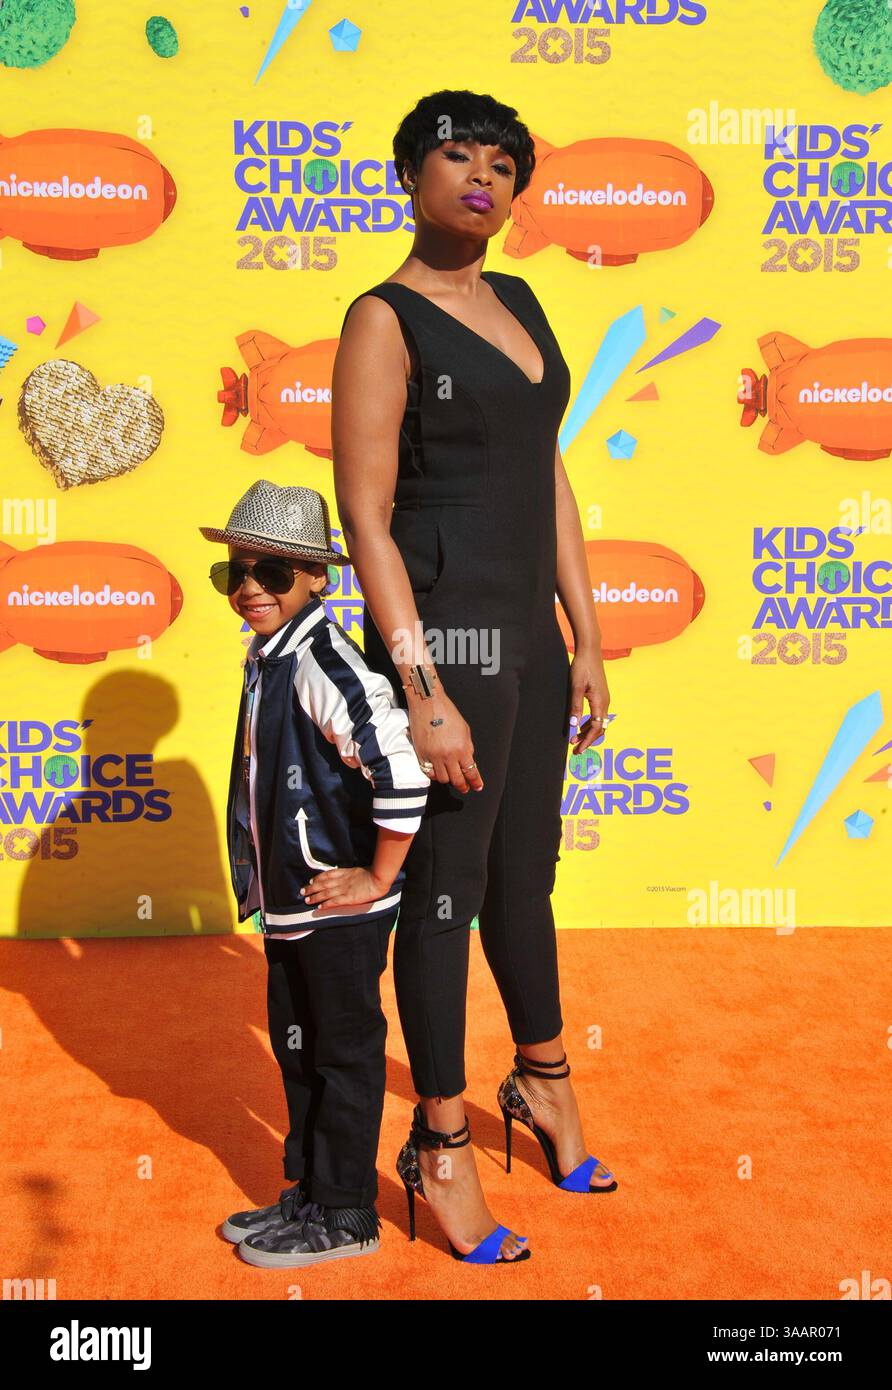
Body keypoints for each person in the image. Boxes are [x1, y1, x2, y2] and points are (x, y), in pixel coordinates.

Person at [331, 90, 619, 1266]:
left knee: (522, 878)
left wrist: (586, 630)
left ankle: (543, 1082)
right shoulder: (381, 318)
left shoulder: (522, 302)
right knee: (443, 897)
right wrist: (421, 687)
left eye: (503, 163)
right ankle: (440, 1140)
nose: (482, 176)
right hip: (446, 639)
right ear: (411, 174)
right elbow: (365, 515)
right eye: (456, 155)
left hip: (529, 644)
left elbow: (546, 474)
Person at [199, 479, 430, 1269]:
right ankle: (311, 1190)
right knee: (299, 1050)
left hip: (340, 911)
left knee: (344, 1051)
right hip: (295, 907)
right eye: (235, 573)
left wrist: (374, 875)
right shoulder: (272, 657)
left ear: (318, 579)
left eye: (272, 572)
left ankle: (347, 1214)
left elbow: (402, 773)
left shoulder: (323, 662)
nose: (250, 589)